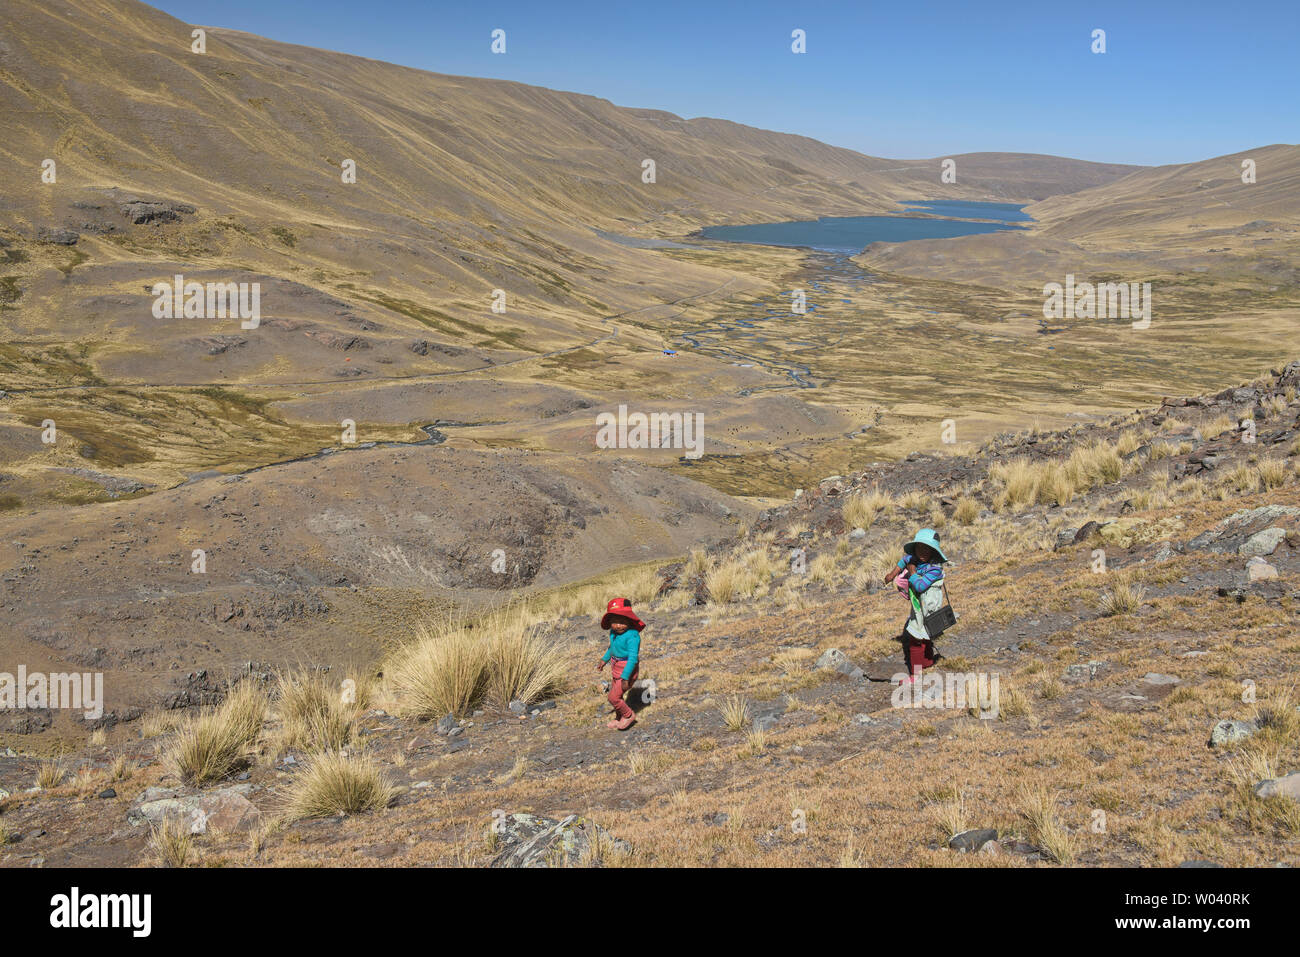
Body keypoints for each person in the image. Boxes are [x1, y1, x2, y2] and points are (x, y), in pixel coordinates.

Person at [882, 528, 949, 683]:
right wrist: (892, 574)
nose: (923, 552)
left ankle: (915, 675)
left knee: (915, 637)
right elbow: (904, 560)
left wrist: (912, 572)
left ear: (933, 551)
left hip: (928, 607)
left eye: (927, 549)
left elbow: (919, 586)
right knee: (925, 633)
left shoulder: (935, 570)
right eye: (920, 547)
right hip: (920, 605)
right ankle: (927, 663)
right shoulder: (915, 559)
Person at [596, 597, 644, 730]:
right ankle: (619, 717)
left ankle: (628, 715)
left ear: (629, 620)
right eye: (614, 622)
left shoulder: (632, 636)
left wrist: (625, 677)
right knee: (617, 695)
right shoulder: (614, 633)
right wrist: (604, 660)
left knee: (613, 697)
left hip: (627, 670)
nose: (618, 625)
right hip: (616, 668)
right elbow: (612, 648)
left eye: (622, 622)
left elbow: (633, 658)